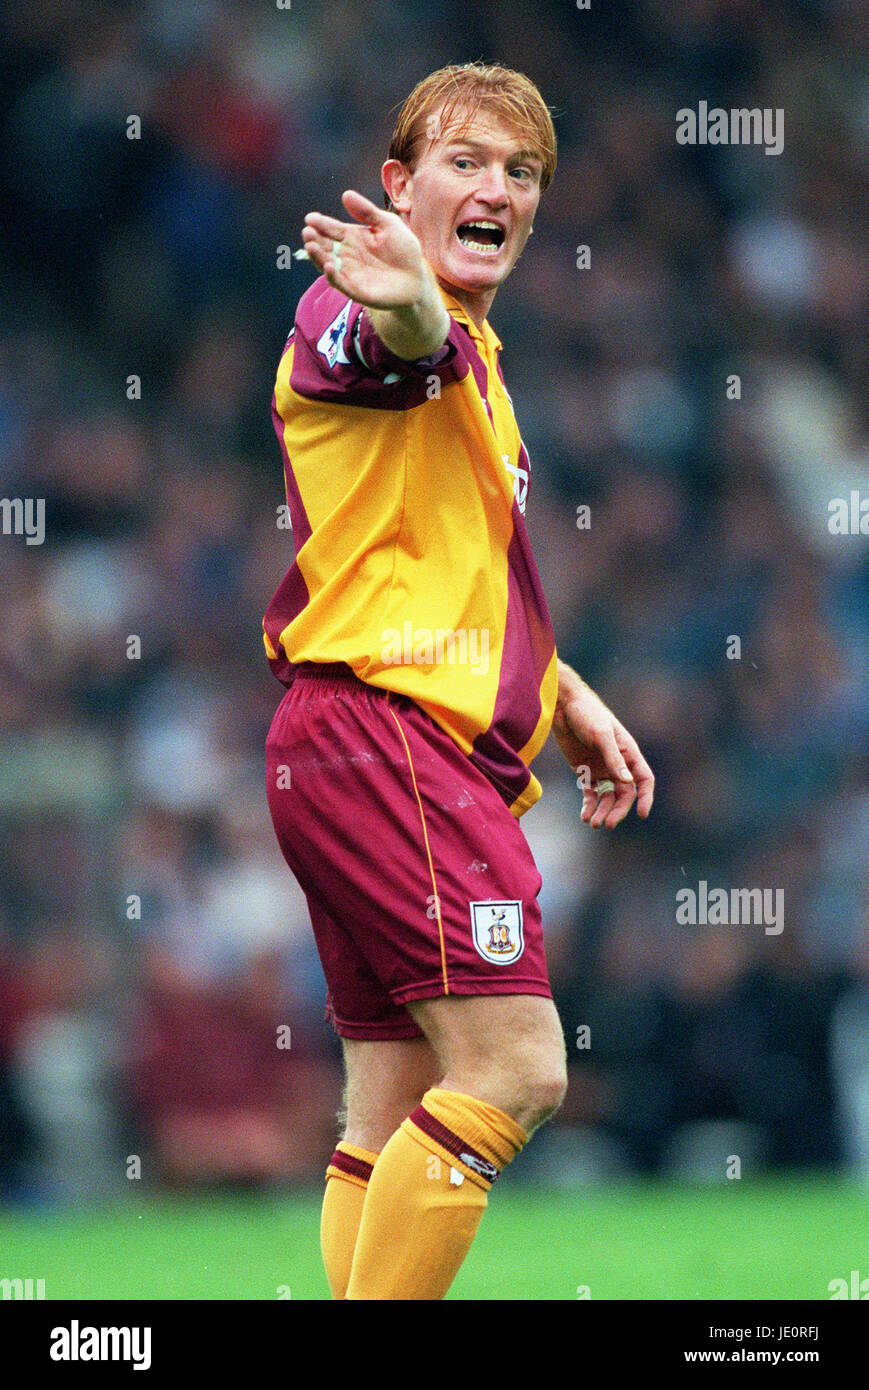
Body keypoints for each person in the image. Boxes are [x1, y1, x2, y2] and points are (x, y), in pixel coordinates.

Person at [263, 62, 654, 1300]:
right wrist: (411, 306)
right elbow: (394, 335)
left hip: (349, 742)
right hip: (391, 745)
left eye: (519, 171)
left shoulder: (477, 359)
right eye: (464, 161)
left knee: (387, 1105)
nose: (495, 188)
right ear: (398, 185)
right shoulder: (354, 310)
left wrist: (567, 694)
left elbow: (451, 571)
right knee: (518, 1066)